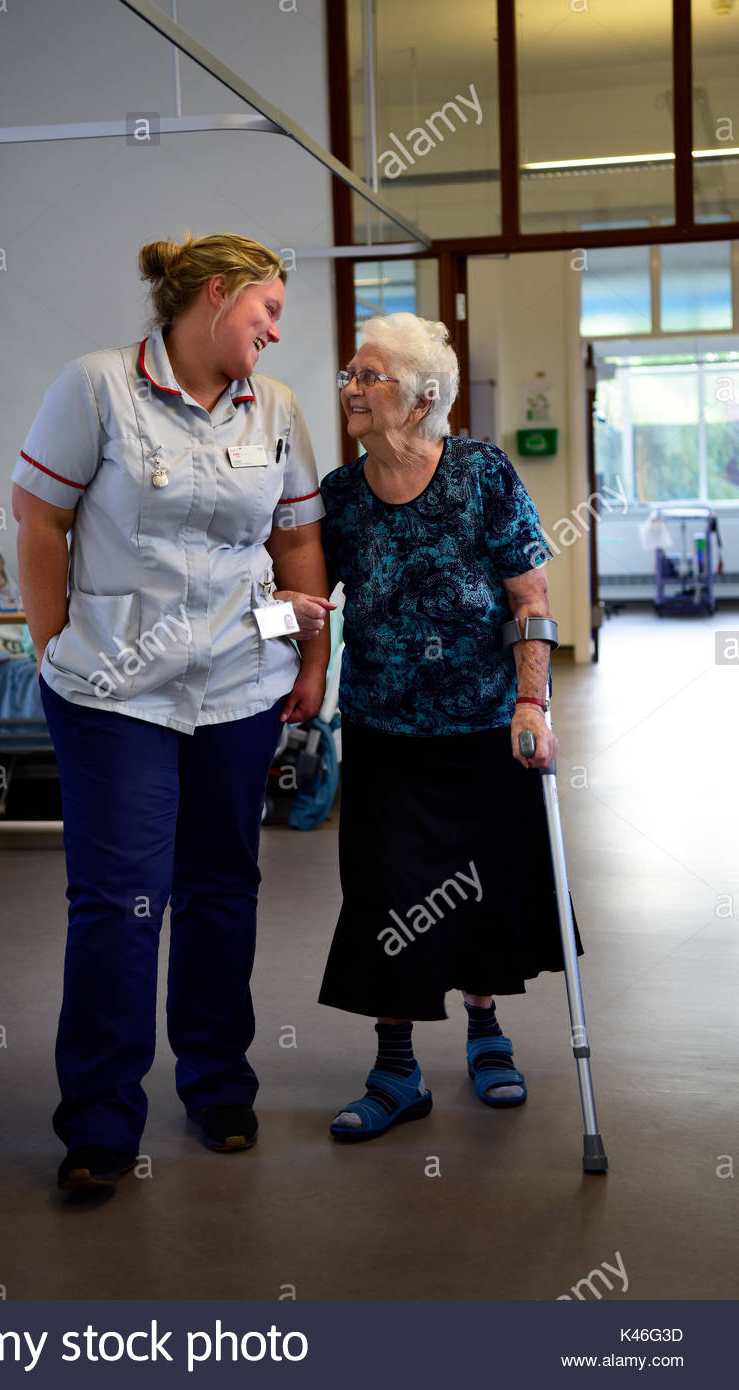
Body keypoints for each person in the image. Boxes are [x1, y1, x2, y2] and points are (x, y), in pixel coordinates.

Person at [11, 233, 333, 1191]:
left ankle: (217, 1082)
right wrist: (54, 642)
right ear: (218, 297)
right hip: (113, 694)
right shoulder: (97, 386)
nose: (277, 330)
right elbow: (37, 519)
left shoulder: (274, 408)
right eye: (267, 310)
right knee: (117, 903)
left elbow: (296, 537)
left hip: (239, 684)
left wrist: (310, 655)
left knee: (221, 888)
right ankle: (102, 1121)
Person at [317, 312, 581, 1141]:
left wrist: (531, 702)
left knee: (476, 886)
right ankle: (395, 1069)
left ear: (425, 395)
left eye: (370, 376)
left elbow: (529, 599)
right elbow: (310, 597)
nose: (352, 390)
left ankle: (486, 1031)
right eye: (349, 376)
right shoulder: (340, 496)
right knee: (384, 892)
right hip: (381, 728)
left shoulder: (480, 474)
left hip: (478, 726)